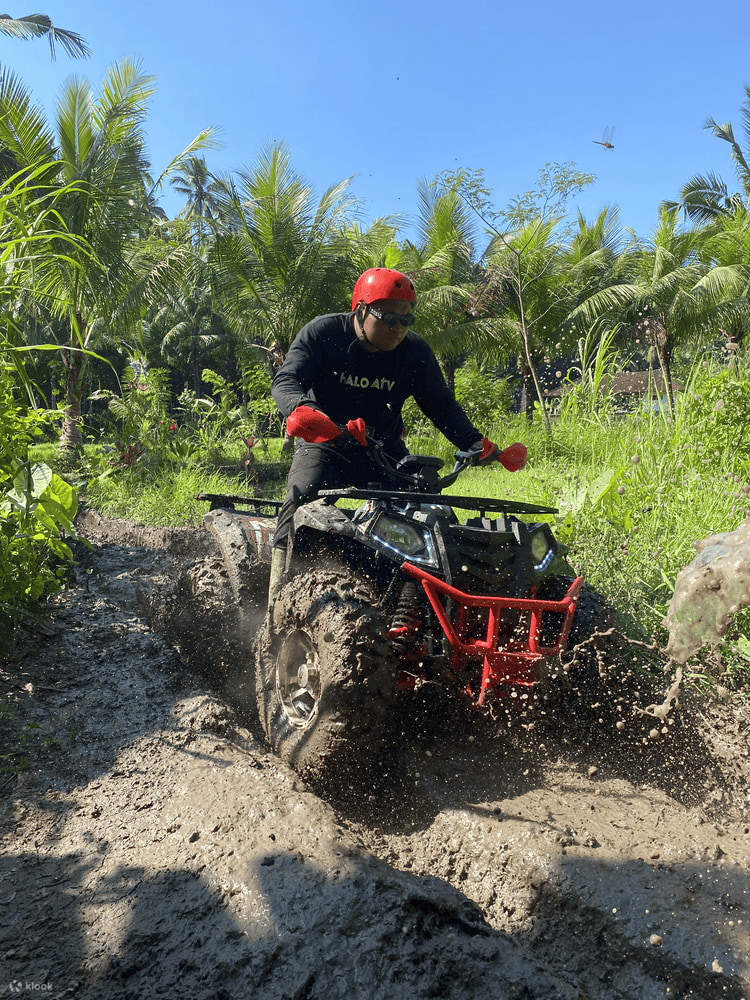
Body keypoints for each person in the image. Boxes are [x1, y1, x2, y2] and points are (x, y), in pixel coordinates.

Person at [267, 267, 527, 603]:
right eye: (389, 317)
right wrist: (301, 409)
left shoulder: (415, 352)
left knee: (429, 516)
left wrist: (474, 443)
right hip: (326, 442)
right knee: (299, 502)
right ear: (361, 310)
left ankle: (421, 606)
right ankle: (278, 598)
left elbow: (440, 404)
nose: (398, 328)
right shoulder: (323, 333)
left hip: (384, 450)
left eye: (407, 320)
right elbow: (285, 381)